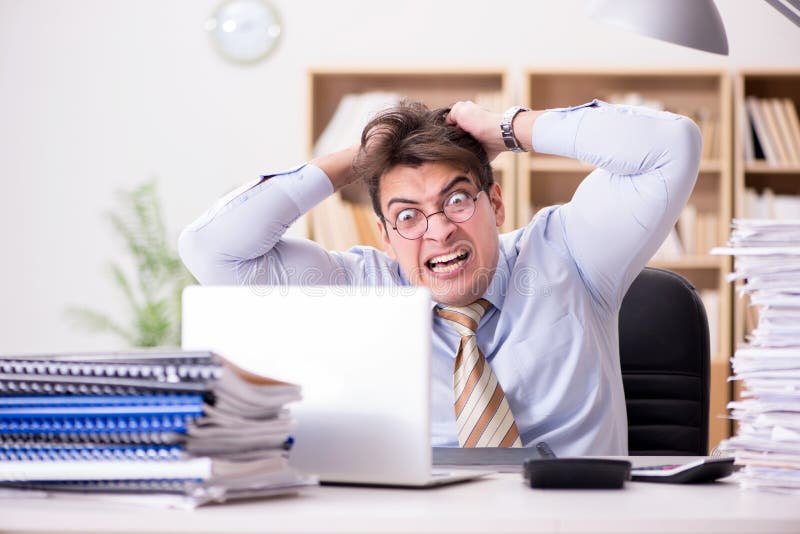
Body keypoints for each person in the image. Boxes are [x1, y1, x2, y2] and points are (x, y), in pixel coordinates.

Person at [179, 98, 701, 455]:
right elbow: (213, 250)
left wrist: (507, 128)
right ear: (384, 234)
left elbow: (671, 146)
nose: (439, 232)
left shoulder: (573, 254)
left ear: (494, 203)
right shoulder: (362, 289)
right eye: (407, 215)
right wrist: (360, 161)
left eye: (455, 200)